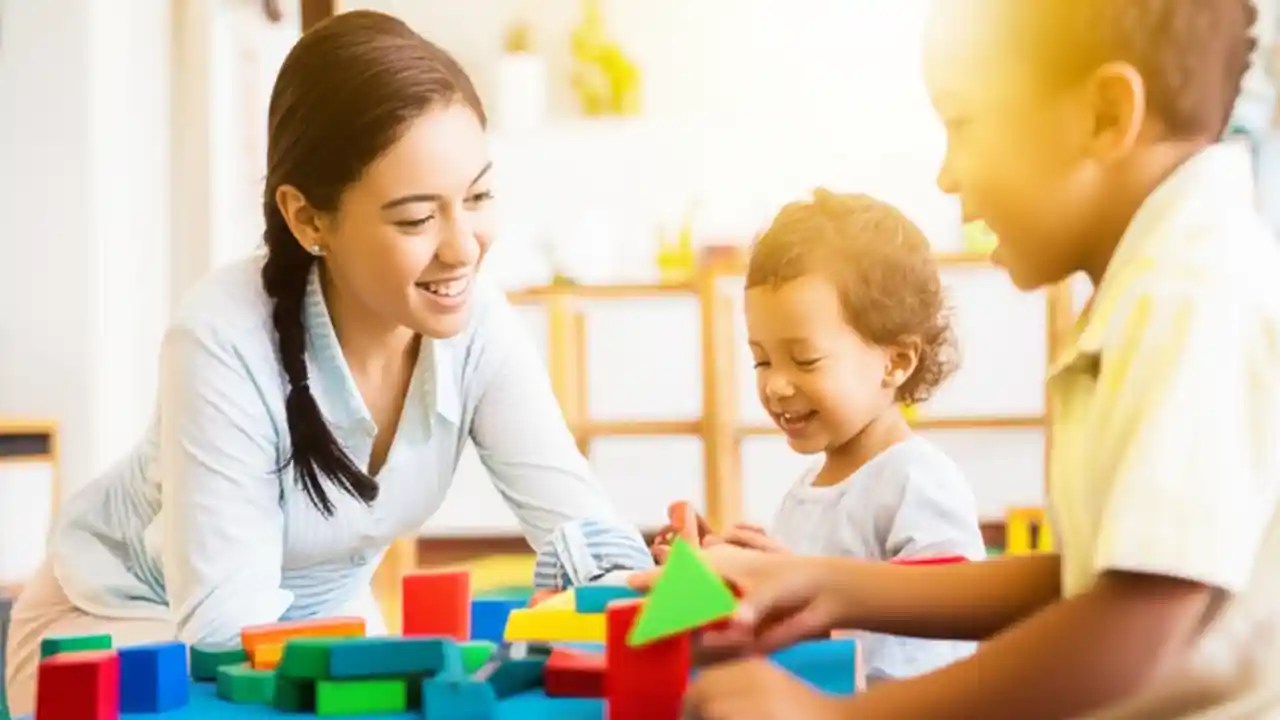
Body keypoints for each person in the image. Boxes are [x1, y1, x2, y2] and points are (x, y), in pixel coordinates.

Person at [640, 0, 1280, 718]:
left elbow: (1137, 623)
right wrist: (819, 585)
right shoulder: (1158, 284)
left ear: (1104, 115)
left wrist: (834, 716)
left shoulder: (1190, 293)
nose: (946, 175)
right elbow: (1086, 582)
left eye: (965, 124)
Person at [3, 11, 651, 717]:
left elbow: (584, 531)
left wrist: (636, 592)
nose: (463, 247)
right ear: (309, 219)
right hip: (122, 635)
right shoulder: (220, 338)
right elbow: (227, 633)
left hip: (315, 634)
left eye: (479, 197)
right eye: (415, 219)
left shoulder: (478, 322)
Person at [654, 191, 984, 684]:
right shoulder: (809, 488)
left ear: (895, 362)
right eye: (761, 359)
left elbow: (942, 630)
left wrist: (803, 590)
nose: (775, 384)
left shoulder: (917, 480)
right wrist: (721, 575)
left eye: (804, 360)